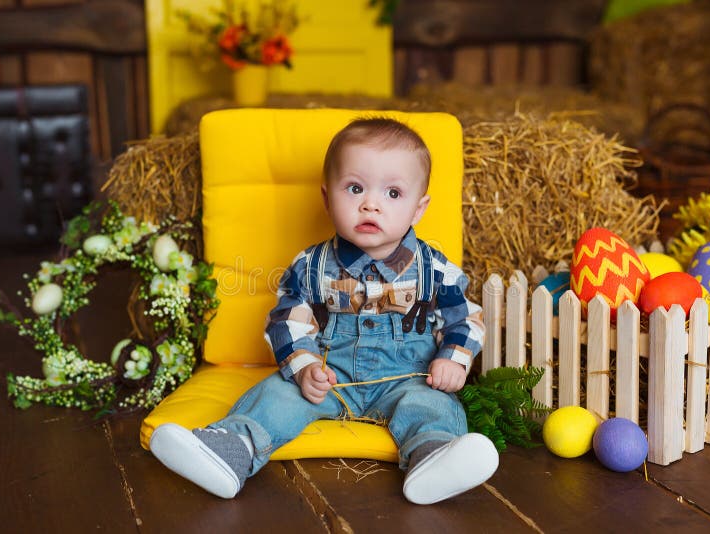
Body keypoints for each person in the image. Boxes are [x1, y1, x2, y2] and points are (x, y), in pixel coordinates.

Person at [150, 117, 499, 505]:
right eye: (354, 188)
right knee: (278, 396)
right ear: (326, 197)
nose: (371, 203)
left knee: (431, 406)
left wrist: (453, 359)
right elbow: (287, 322)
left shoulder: (434, 269)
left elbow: (464, 318)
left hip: (410, 379)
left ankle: (433, 459)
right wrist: (305, 368)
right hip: (331, 379)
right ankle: (230, 451)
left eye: (393, 194)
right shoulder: (311, 266)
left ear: (419, 209)